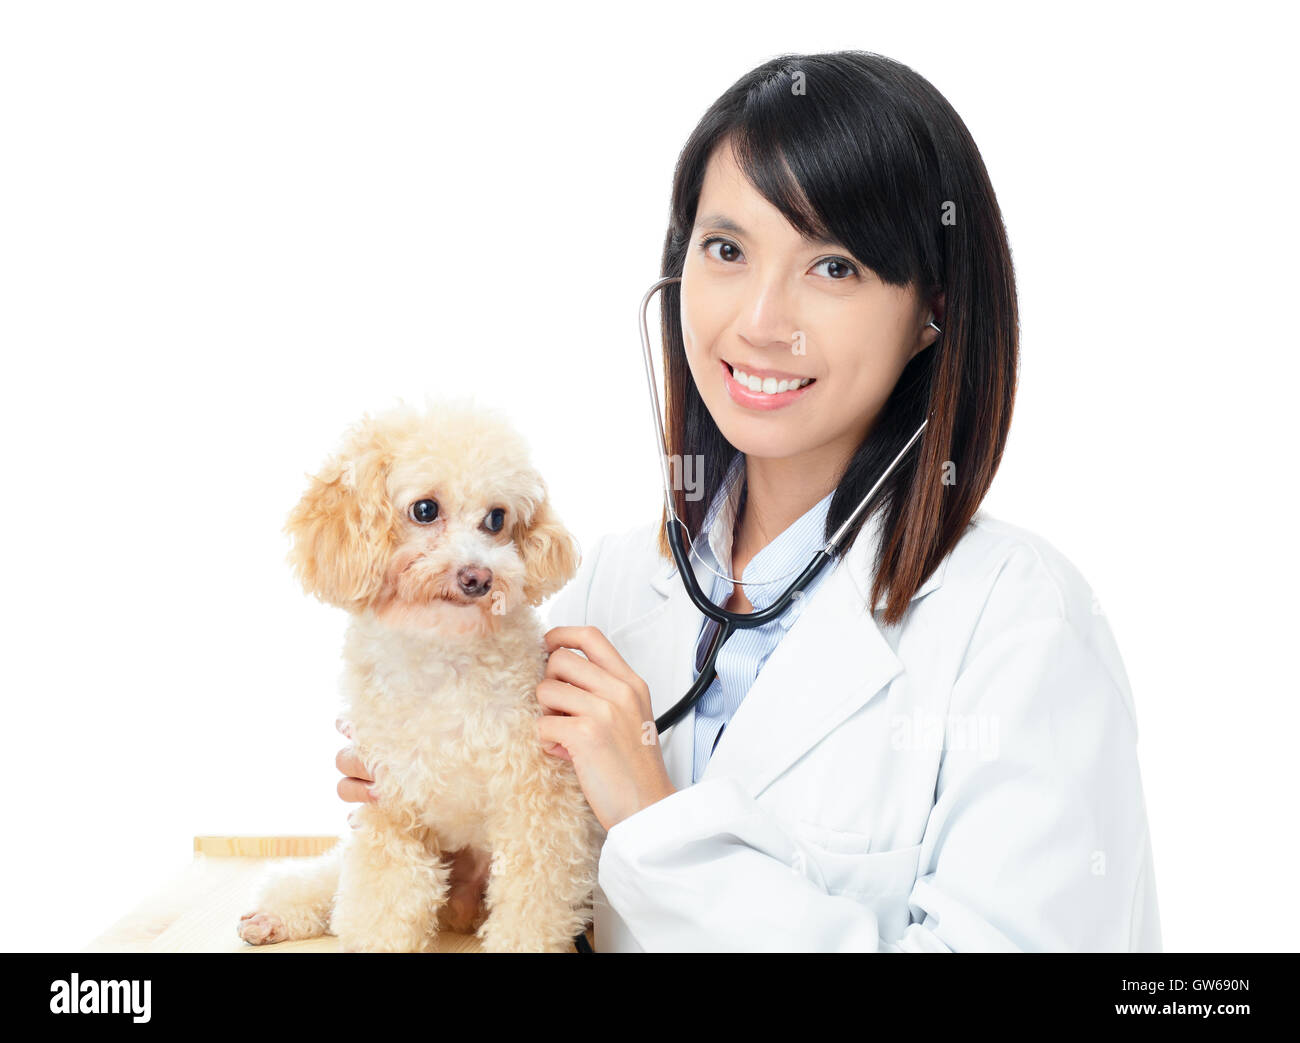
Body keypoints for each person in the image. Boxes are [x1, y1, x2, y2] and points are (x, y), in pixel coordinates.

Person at [337, 50, 1161, 952]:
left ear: (933, 311)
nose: (762, 320)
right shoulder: (615, 582)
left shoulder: (1020, 624)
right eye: (727, 250)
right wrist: (437, 781)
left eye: (835, 267)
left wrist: (656, 822)